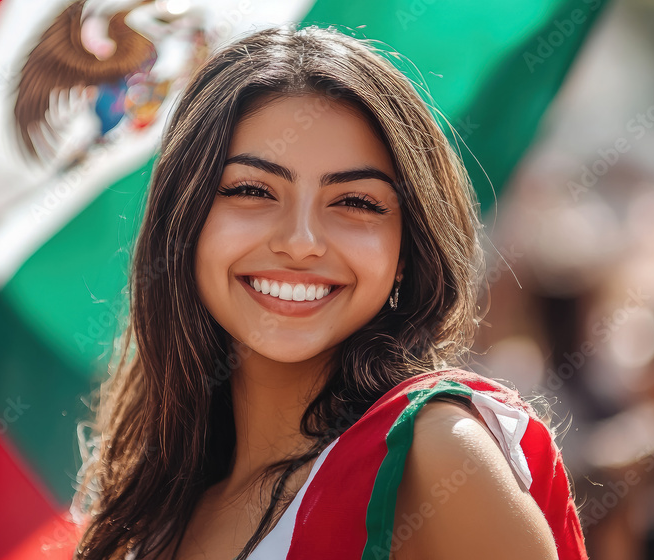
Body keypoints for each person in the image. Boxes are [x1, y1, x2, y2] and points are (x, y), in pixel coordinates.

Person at [71, 25, 587, 560]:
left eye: (356, 202)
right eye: (251, 190)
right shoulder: (154, 503)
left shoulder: (434, 455)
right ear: (184, 224)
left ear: (407, 250)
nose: (300, 243)